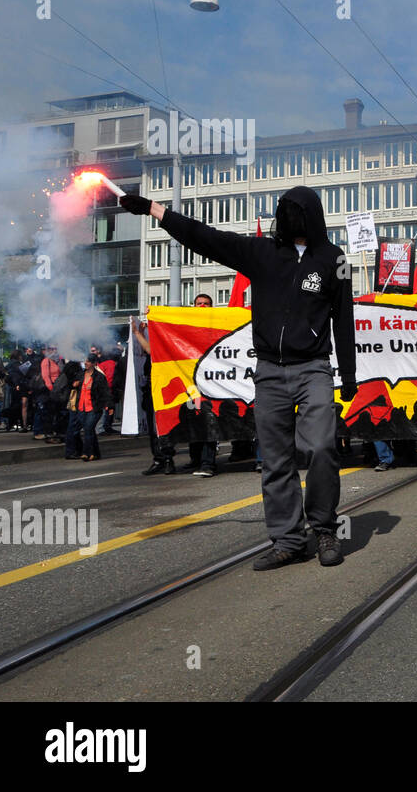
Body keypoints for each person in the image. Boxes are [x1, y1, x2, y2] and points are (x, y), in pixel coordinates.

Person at [120, 186, 358, 569]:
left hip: (314, 368)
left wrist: (348, 373)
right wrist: (154, 210)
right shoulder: (261, 252)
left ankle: (325, 530)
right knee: (277, 460)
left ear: (313, 215)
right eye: (287, 211)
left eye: (297, 212)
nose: (291, 218)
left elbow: (343, 318)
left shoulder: (334, 259)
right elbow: (205, 238)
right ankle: (289, 541)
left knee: (320, 448)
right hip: (269, 371)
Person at [132, 315, 177, 475]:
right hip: (151, 389)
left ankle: (167, 459)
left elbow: (152, 350)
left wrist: (138, 334)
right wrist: (140, 334)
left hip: (163, 388)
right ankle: (159, 459)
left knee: (163, 426)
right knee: (153, 428)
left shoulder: (166, 338)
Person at [185, 293, 220, 477]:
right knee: (194, 422)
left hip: (212, 385)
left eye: (206, 303)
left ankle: (208, 463)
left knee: (209, 423)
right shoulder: (187, 326)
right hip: (192, 387)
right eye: (199, 303)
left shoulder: (218, 325)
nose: (202, 306)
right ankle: (196, 459)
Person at [74, 353, 112, 462]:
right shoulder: (81, 375)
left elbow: (106, 392)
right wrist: (75, 384)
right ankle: (96, 453)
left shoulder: (99, 377)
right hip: (82, 406)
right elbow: (74, 385)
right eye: (85, 361)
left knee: (88, 429)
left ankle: (87, 452)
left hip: (94, 407)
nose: (86, 363)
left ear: (94, 363)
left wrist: (109, 406)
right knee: (89, 430)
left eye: (88, 361)